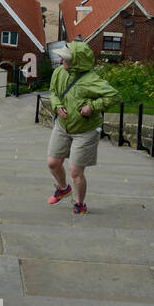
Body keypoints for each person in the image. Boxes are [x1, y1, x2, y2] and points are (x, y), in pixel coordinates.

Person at [47, 41, 122, 215]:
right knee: (53, 163)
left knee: (75, 171)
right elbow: (53, 92)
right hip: (63, 126)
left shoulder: (91, 80)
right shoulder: (59, 72)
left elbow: (114, 95)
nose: (60, 60)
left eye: (65, 58)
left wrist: (93, 107)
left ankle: (80, 204)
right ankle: (63, 189)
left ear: (77, 61)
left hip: (85, 130)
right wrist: (57, 106)